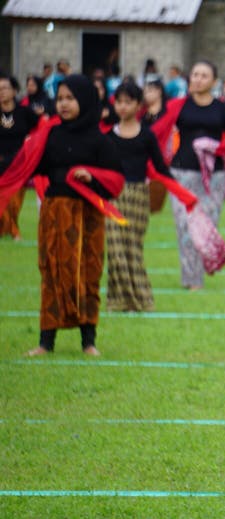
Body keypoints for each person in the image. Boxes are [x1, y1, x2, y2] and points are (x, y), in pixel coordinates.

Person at [21, 75, 124, 355]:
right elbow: (30, 166)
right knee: (52, 272)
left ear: (86, 100)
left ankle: (88, 341)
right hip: (54, 214)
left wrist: (92, 176)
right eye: (60, 98)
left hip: (87, 217)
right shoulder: (49, 134)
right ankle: (46, 342)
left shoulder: (99, 140)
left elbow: (116, 179)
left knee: (87, 273)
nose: (63, 104)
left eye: (70, 98)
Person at [164, 60, 225, 289]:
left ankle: (200, 272)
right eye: (195, 74)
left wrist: (215, 147)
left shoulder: (223, 109)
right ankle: (191, 280)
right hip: (182, 172)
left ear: (214, 81)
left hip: (213, 177)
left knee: (207, 226)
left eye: (203, 75)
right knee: (185, 227)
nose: (197, 79)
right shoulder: (177, 106)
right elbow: (158, 132)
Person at [105, 82, 179, 311]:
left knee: (133, 247)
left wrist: (179, 189)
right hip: (113, 197)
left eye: (128, 101)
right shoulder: (108, 136)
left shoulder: (146, 136)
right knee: (115, 249)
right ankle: (118, 300)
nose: (123, 106)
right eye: (119, 101)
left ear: (138, 105)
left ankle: (140, 298)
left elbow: (160, 166)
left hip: (138, 196)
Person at [0, 73, 40, 240]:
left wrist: (31, 147)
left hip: (19, 164)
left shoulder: (25, 112)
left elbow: (40, 129)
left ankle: (11, 229)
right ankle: (11, 231)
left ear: (15, 91)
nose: (1, 92)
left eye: (5, 88)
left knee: (15, 201)